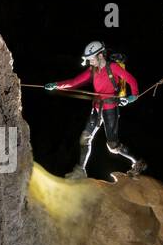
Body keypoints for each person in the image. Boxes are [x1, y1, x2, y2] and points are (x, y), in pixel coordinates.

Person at [45, 41, 147, 179]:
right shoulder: (92, 69)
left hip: (110, 108)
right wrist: (56, 85)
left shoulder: (113, 67)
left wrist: (133, 96)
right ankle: (80, 170)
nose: (90, 62)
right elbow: (75, 81)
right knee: (84, 138)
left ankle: (138, 162)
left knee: (113, 145)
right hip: (97, 108)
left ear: (100, 55)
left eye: (92, 59)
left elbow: (131, 79)